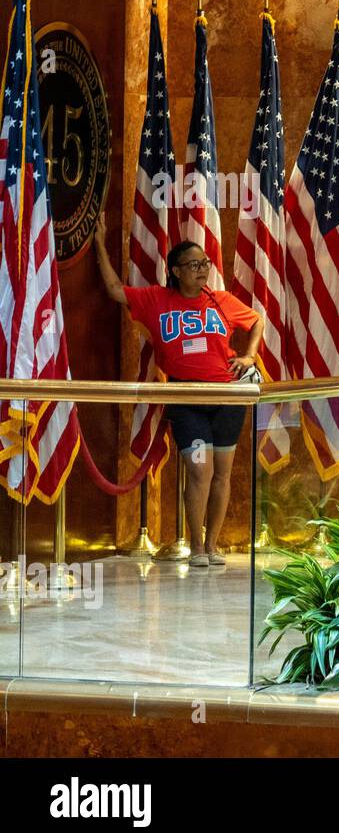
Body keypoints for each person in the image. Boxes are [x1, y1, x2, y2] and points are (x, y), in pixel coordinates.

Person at [93, 214, 263, 569]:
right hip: (187, 400)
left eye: (205, 263)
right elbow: (113, 290)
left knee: (222, 472)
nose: (202, 270)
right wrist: (98, 244)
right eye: (193, 264)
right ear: (175, 270)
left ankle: (214, 545)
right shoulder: (156, 299)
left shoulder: (221, 300)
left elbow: (256, 319)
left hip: (226, 398)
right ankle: (197, 545)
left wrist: (248, 355)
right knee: (198, 470)